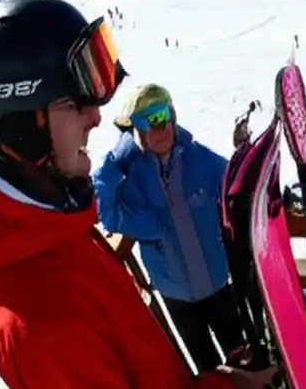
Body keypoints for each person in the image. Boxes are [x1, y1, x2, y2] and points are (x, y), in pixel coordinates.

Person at [0, 0, 270, 388]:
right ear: (24, 127)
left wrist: (223, 381)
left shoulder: (41, 227)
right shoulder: (46, 323)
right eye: (72, 103)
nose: (95, 118)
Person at [94, 83, 245, 373]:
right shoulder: (132, 180)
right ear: (134, 132)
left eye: (162, 116)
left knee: (243, 358)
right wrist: (115, 162)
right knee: (209, 370)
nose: (159, 128)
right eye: (146, 122)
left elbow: (237, 183)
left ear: (173, 116)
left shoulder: (200, 159)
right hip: (177, 299)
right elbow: (104, 210)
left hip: (217, 287)